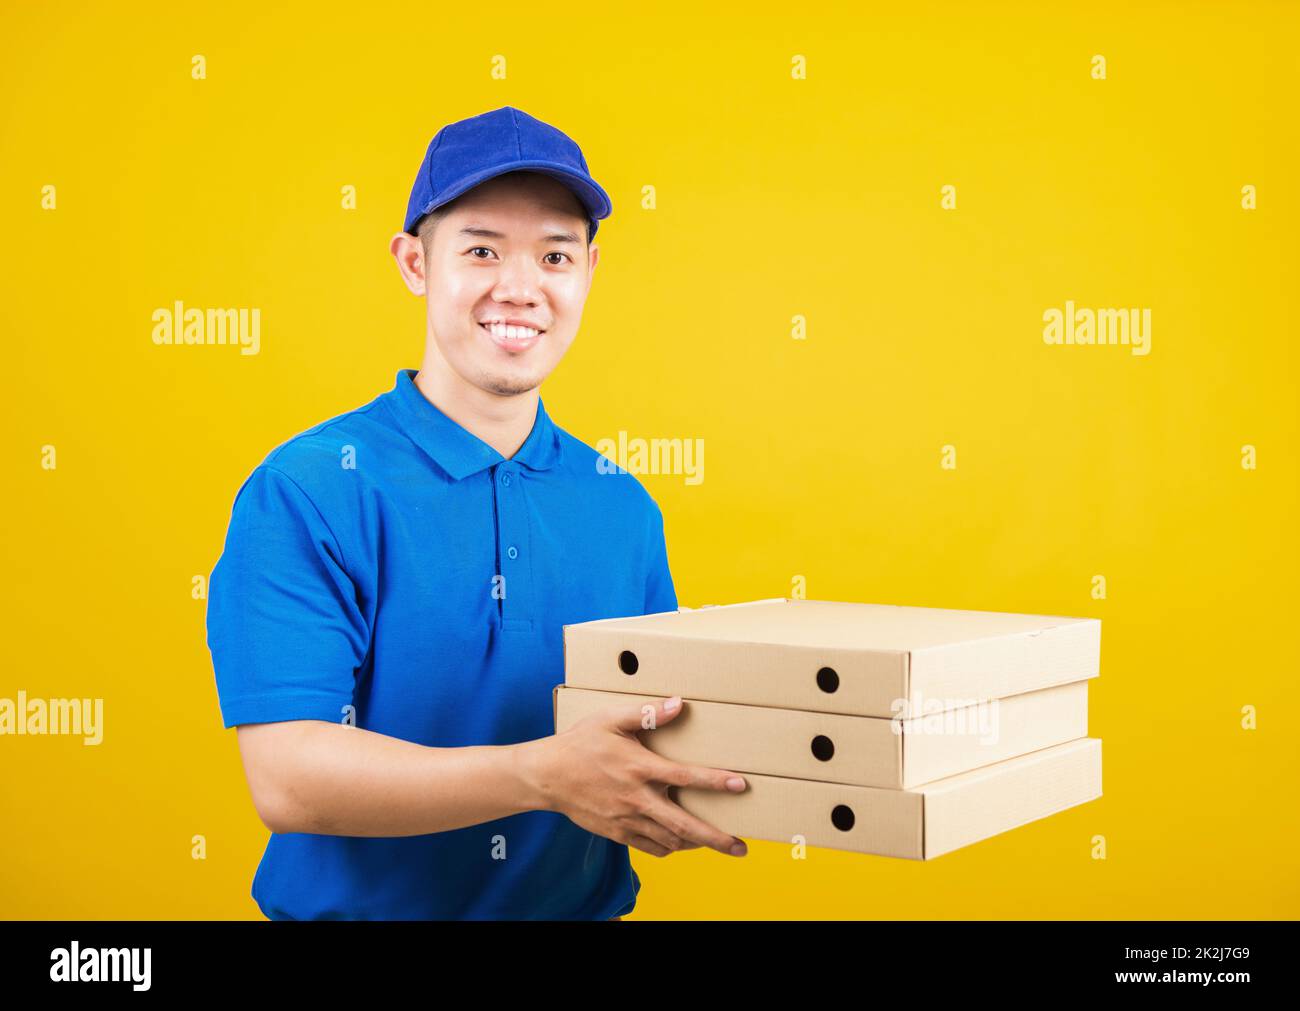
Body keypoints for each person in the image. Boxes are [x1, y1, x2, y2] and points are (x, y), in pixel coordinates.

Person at [205, 106, 749, 921]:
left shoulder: (622, 501)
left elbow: (651, 731)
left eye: (554, 255)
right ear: (414, 263)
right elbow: (288, 777)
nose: (519, 288)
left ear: (589, 272)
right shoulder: (310, 487)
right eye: (481, 249)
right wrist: (540, 775)